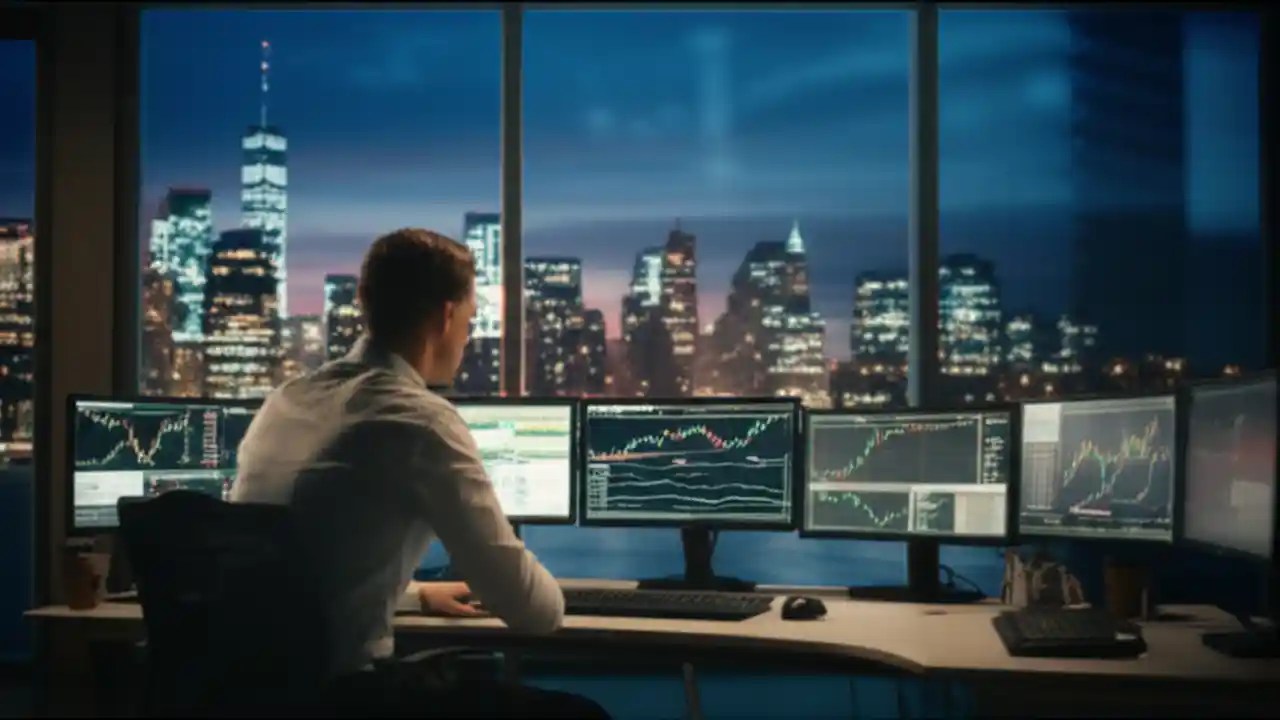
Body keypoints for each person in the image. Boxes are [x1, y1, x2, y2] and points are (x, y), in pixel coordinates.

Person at [231, 228, 609, 718]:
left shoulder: (285, 401)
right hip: (350, 698)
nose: (468, 337)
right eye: (470, 321)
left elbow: (306, 577)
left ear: (364, 298)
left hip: (251, 693)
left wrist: (415, 596)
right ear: (447, 316)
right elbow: (535, 613)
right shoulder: (419, 419)